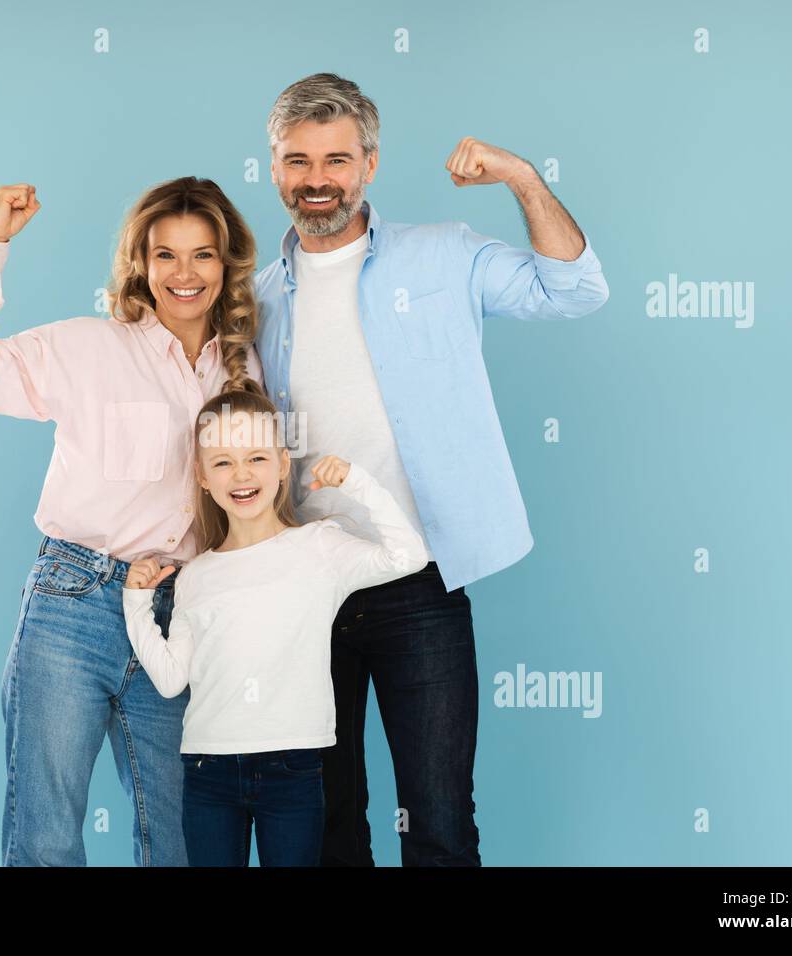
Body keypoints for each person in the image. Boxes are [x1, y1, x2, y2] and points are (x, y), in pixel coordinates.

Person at [253, 73, 611, 866]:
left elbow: (576, 290)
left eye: (337, 159)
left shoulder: (443, 254)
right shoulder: (257, 296)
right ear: (274, 168)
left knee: (440, 823)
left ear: (370, 165)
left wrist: (520, 175)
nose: (318, 180)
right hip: (306, 589)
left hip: (420, 581)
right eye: (297, 160)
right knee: (323, 825)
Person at [0, 176, 264, 866]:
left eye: (203, 255)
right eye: (165, 255)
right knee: (46, 834)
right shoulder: (87, 347)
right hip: (72, 605)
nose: (184, 274)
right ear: (140, 263)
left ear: (226, 264)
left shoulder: (243, 371)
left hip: (182, 616)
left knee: (183, 840)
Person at [121, 388, 427, 865]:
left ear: (283, 464)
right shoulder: (196, 575)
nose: (241, 475)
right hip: (207, 770)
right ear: (202, 477)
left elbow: (408, 555)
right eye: (222, 463)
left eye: (256, 458)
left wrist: (357, 482)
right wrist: (136, 602)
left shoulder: (320, 547)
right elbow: (168, 679)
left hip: (294, 768)